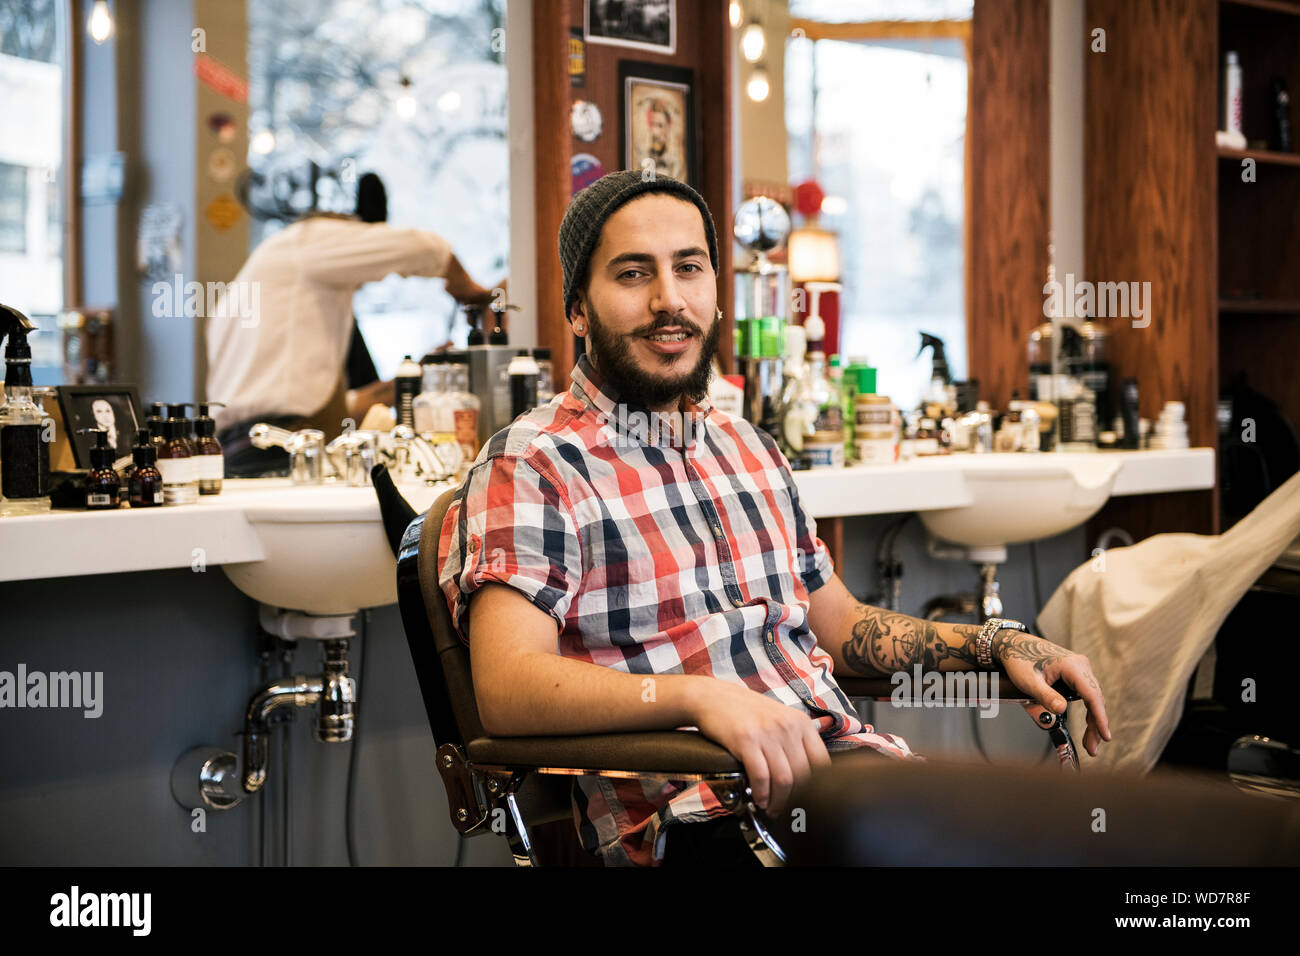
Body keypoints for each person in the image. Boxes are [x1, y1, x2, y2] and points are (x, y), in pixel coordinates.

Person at [437, 170, 1112, 867]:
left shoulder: (747, 448)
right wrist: (702, 700)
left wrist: (994, 645)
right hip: (704, 818)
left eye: (690, 269)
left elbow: (844, 628)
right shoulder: (535, 463)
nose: (670, 300)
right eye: (633, 274)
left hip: (848, 783)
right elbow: (508, 687)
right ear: (578, 308)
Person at [206, 172, 494, 477]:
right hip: (279, 450)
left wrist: (412, 381)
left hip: (237, 455)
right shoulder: (310, 241)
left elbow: (335, 406)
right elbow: (428, 249)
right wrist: (468, 288)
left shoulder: (267, 279)